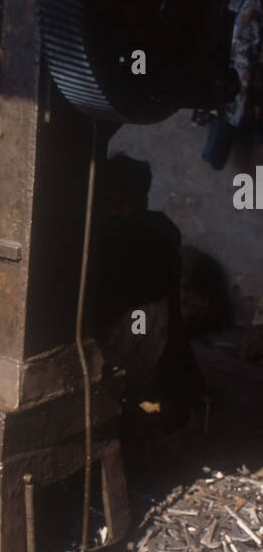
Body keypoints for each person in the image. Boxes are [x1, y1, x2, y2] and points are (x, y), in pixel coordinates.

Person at [97, 152, 205, 435]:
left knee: (144, 317)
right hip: (115, 323)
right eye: (109, 202)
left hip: (144, 325)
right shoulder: (100, 230)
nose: (115, 211)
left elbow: (148, 299)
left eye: (125, 204)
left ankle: (131, 401)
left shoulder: (159, 234)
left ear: (142, 202)